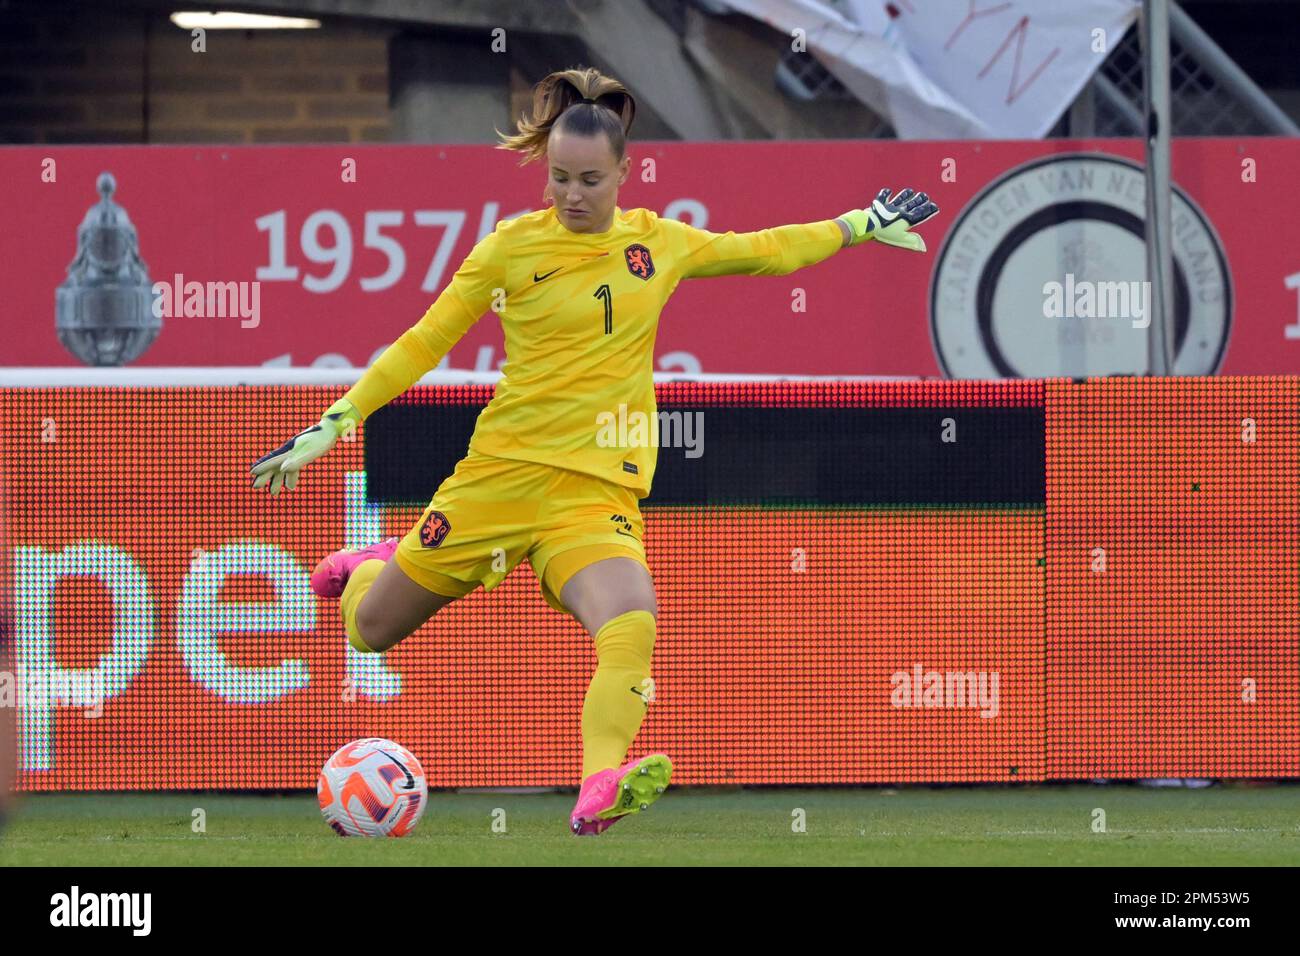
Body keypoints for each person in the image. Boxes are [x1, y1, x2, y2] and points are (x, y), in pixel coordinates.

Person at [251, 65, 938, 836]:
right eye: (558, 179)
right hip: (499, 481)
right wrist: (333, 423)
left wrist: (860, 223)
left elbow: (765, 252)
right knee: (367, 630)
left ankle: (598, 780)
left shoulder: (660, 243)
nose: (571, 195)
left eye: (588, 179)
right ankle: (376, 562)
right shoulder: (509, 250)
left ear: (624, 172)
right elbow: (423, 343)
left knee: (633, 621)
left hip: (594, 496)